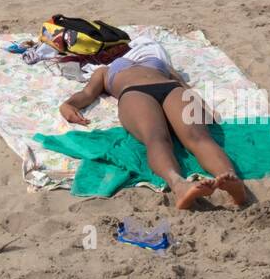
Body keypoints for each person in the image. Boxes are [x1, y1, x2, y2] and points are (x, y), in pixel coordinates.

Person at [57, 45, 247, 210]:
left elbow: (185, 86)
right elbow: (87, 93)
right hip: (134, 92)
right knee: (156, 138)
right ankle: (179, 186)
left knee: (199, 135)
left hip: (171, 88)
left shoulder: (159, 62)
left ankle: (230, 179)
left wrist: (204, 107)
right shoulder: (103, 71)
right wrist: (68, 104)